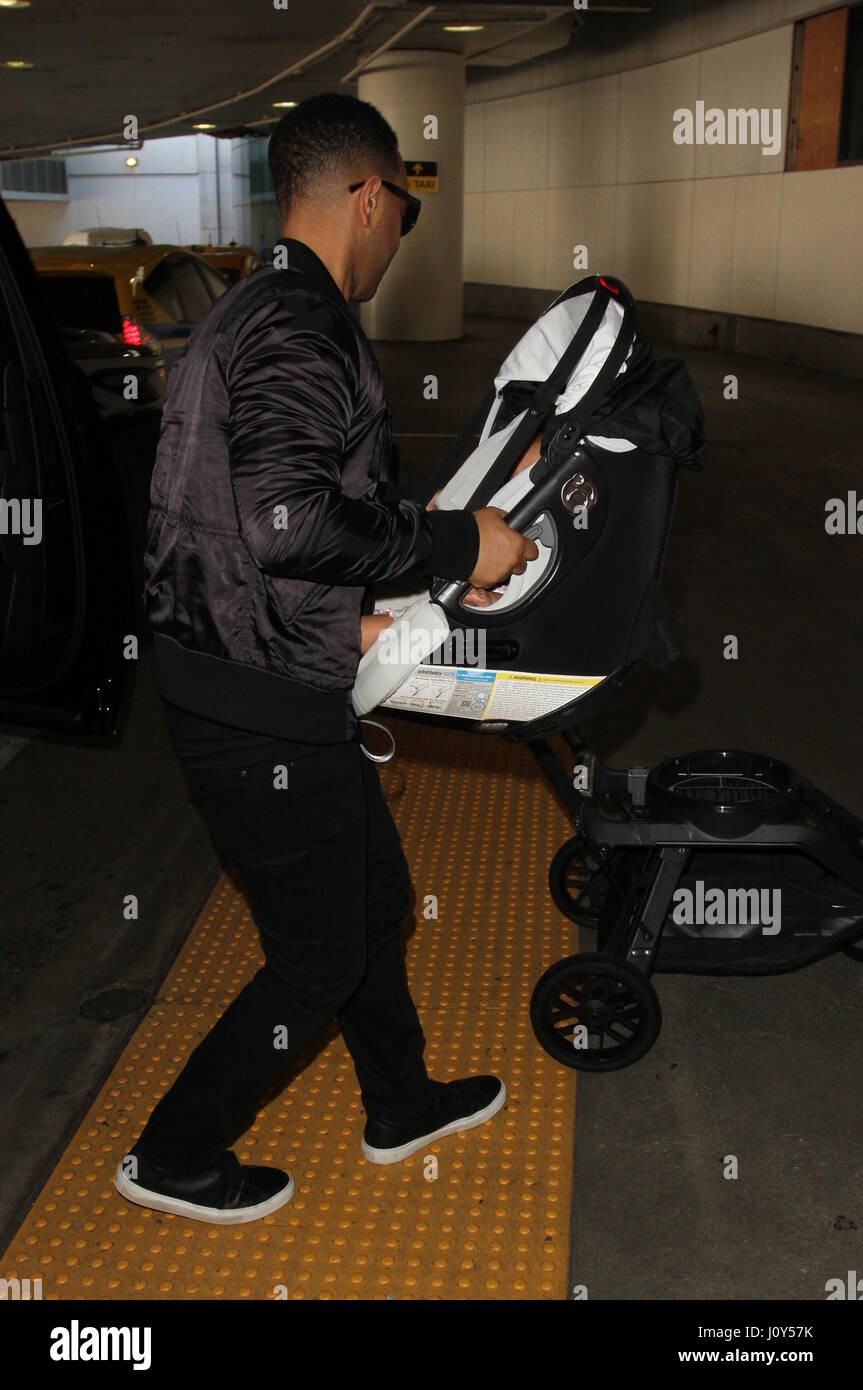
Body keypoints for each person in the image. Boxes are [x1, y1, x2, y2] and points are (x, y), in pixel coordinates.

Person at [115, 92, 537, 1225]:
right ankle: (174, 1152)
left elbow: (218, 522)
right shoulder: (302, 326)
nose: (401, 235)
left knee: (375, 901)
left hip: (254, 680)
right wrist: (458, 542)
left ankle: (397, 1100)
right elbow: (289, 523)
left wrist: (333, 624)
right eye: (404, 206)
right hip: (259, 718)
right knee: (315, 964)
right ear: (366, 198)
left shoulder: (250, 311)